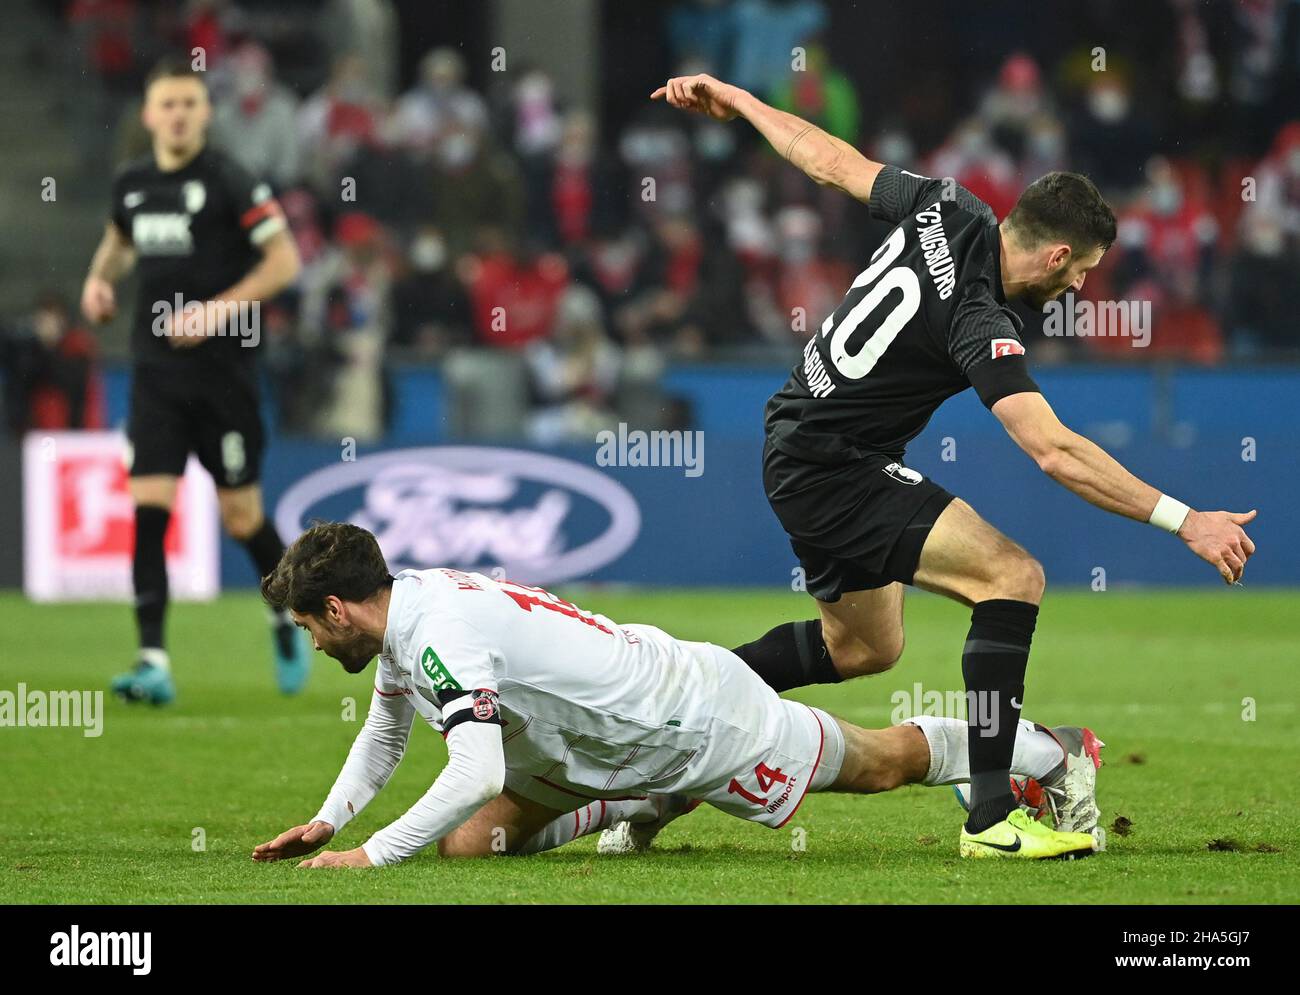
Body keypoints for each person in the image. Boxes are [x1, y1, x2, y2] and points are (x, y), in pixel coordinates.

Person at [649, 73, 1256, 856]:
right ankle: (992, 816)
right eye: (1081, 271)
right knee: (1013, 576)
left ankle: (675, 719)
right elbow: (1053, 449)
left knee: (864, 648)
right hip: (834, 462)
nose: (1078, 286)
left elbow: (831, 160)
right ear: (1060, 252)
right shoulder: (980, 316)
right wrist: (1186, 520)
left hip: (799, 437)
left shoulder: (949, 204)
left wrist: (740, 103)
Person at [251, 523, 1102, 868]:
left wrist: (366, 858)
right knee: (471, 849)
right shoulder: (405, 617)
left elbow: (472, 769)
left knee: (878, 764)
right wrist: (333, 819)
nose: (316, 646)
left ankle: (1052, 751)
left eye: (309, 628)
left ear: (336, 608)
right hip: (604, 745)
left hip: (697, 719)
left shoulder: (439, 631)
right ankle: (645, 796)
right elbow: (387, 733)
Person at [79, 57, 308, 705]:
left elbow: (285, 261)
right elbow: (121, 243)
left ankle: (283, 613)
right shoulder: (132, 183)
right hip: (156, 375)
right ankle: (152, 660)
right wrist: (100, 280)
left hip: (225, 376)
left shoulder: (231, 180)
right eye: (167, 104)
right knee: (149, 508)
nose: (178, 114)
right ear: (149, 115)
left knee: (241, 517)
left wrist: (218, 309)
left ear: (205, 112)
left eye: (189, 103)